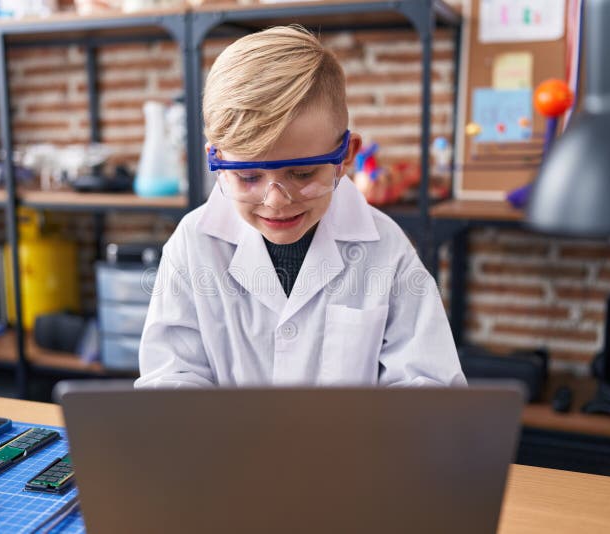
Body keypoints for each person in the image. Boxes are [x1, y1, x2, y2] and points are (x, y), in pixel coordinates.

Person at [135, 25, 465, 388]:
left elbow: (428, 385)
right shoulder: (193, 243)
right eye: (248, 177)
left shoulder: (386, 248)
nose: (276, 200)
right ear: (217, 161)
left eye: (303, 173)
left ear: (346, 156)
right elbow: (170, 379)